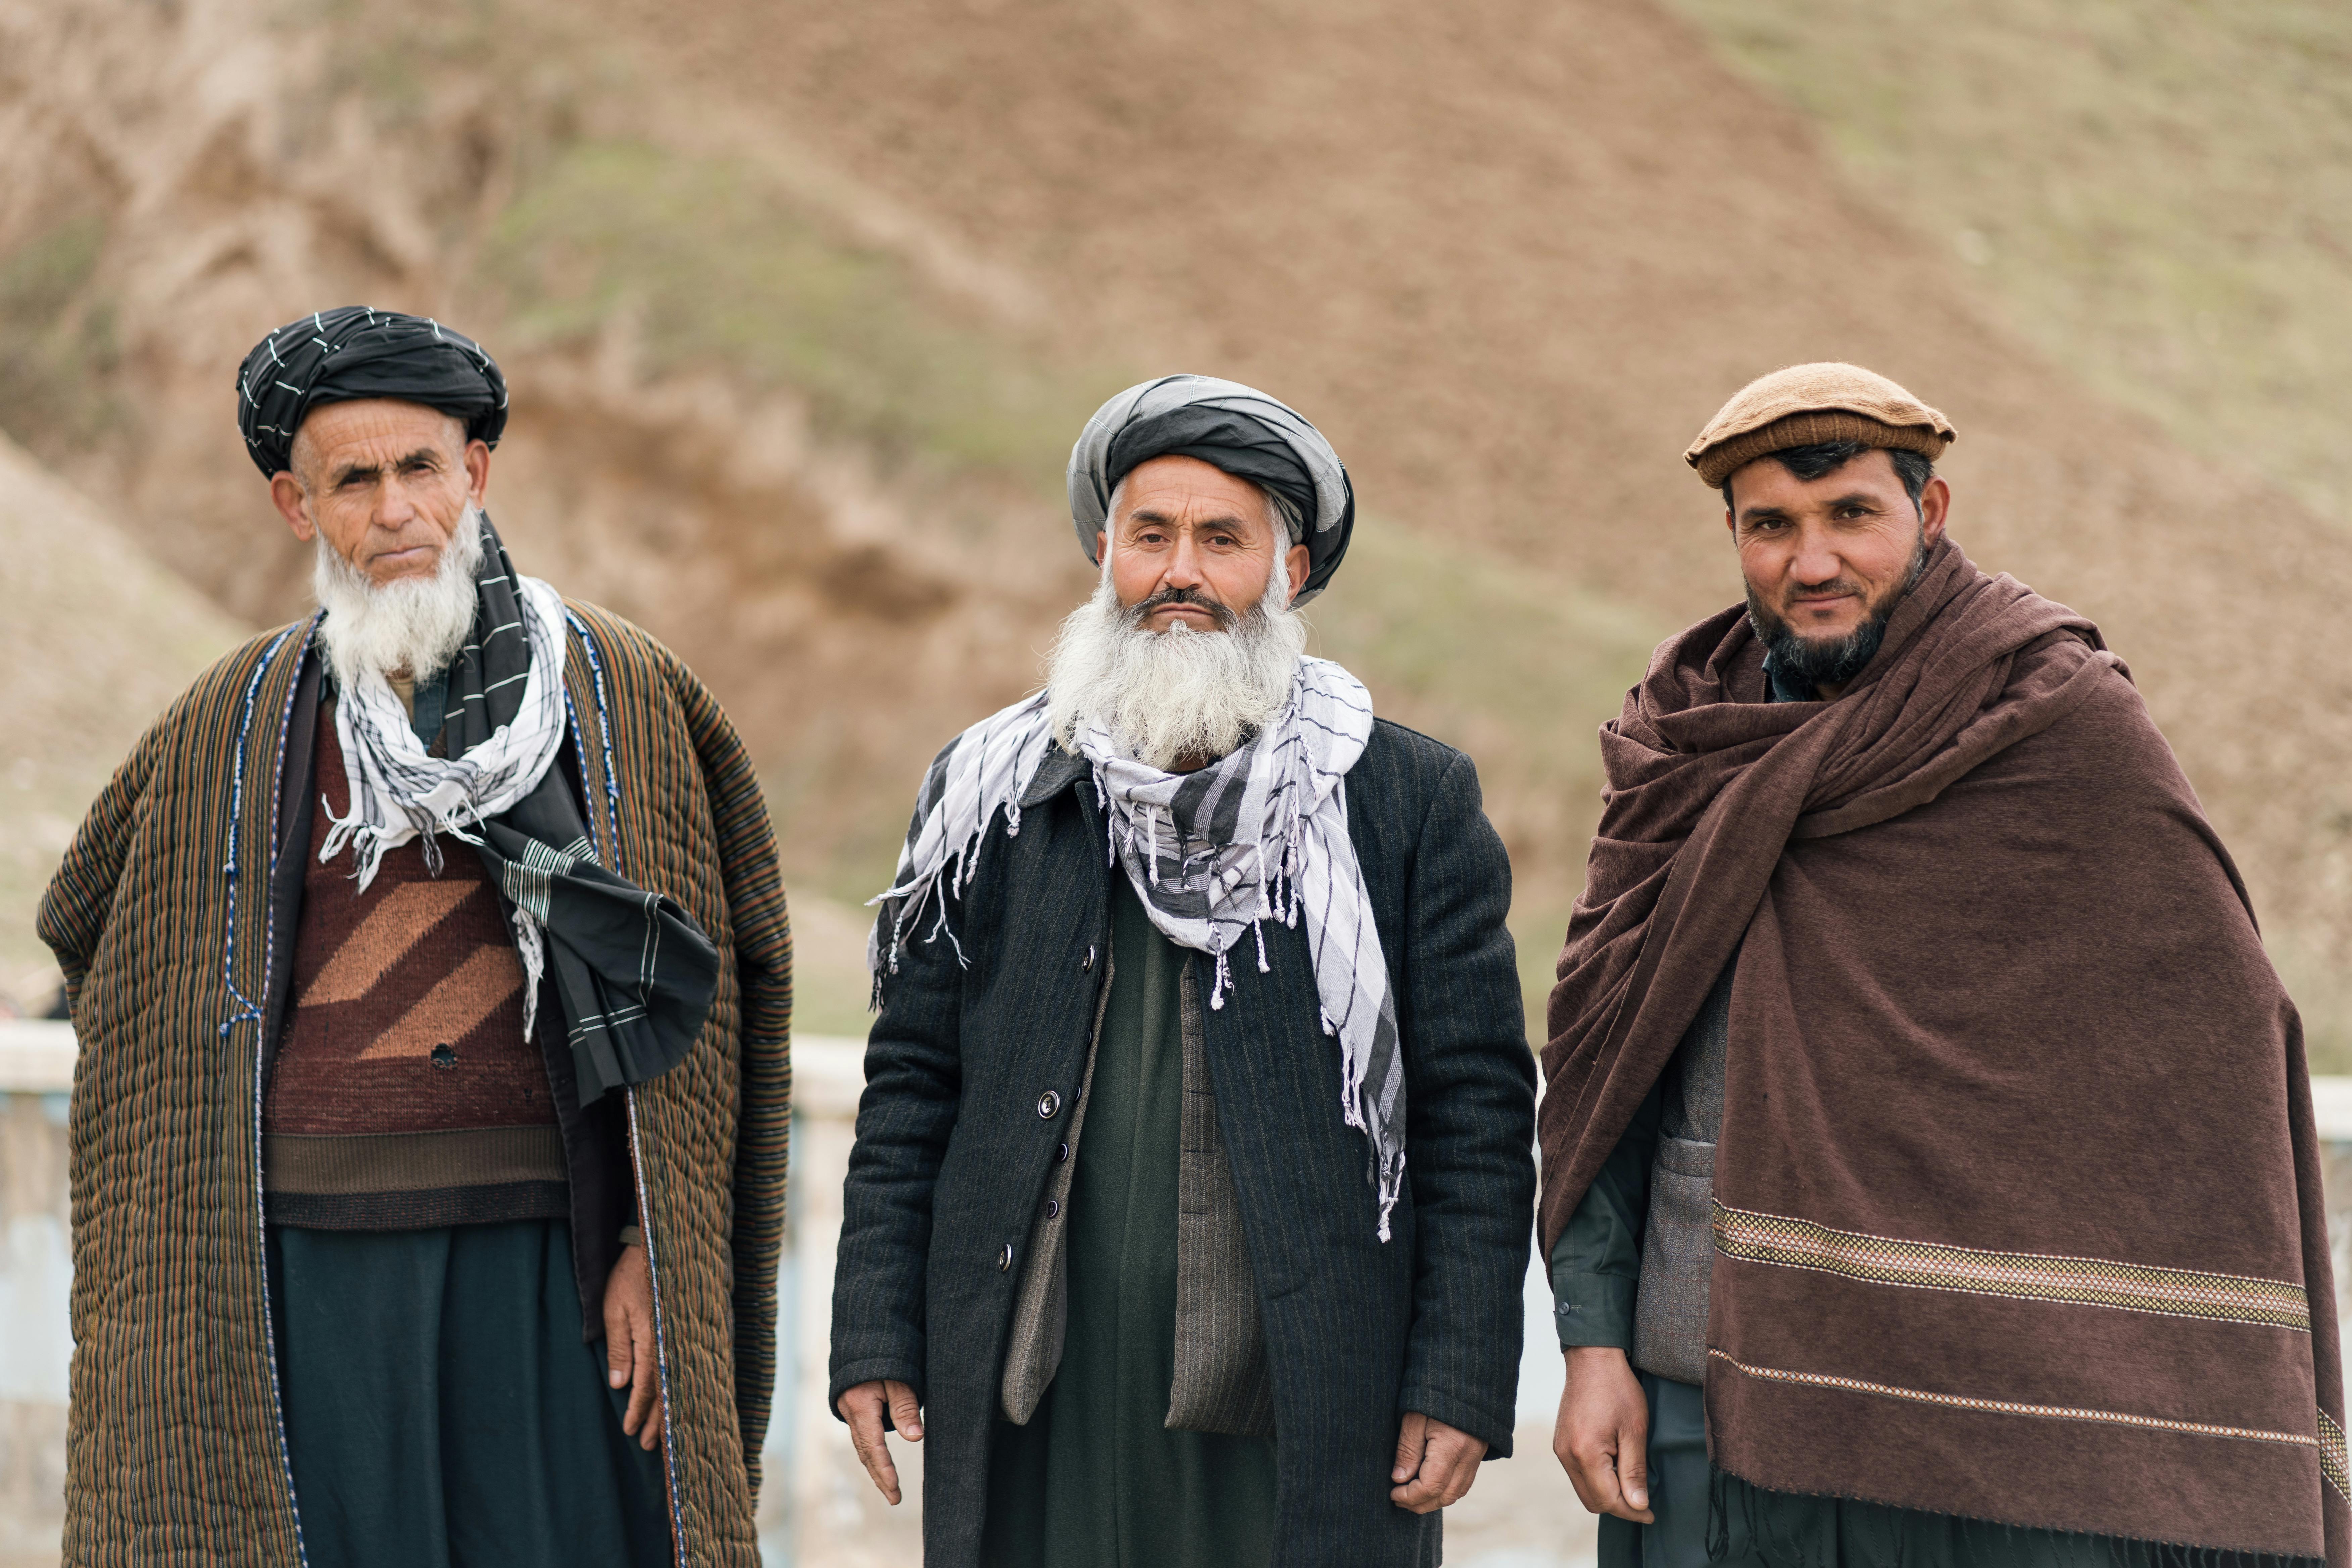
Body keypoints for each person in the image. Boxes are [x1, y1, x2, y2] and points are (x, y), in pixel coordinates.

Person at [1541, 361, 2348, 1565]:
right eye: (1772, 527)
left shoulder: (2053, 720)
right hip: (1712, 1398)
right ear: (1733, 537)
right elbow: (1611, 1062)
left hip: (1991, 1423)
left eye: (1851, 515)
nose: (1812, 563)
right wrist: (1593, 1342)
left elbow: (2217, 1042)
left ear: (1932, 514)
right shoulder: (1681, 741)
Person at [40, 307, 792, 1566]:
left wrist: (645, 1247)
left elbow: (721, 993)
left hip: (549, 1266)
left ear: (476, 475)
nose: (396, 512)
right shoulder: (232, 720)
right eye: (354, 481)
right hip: (305, 1271)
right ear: (299, 508)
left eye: (421, 470)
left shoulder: (622, 697)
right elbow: (99, 926)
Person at [828, 375, 1538, 1567]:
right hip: (1035, 1378)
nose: (1182, 575)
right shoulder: (1000, 791)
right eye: (1150, 536)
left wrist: (1461, 1375)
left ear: (1291, 571)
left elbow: (1476, 1110)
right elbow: (911, 1080)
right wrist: (876, 1333)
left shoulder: (1406, 800)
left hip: (1304, 1396)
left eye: (1224, 540)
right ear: (1104, 552)